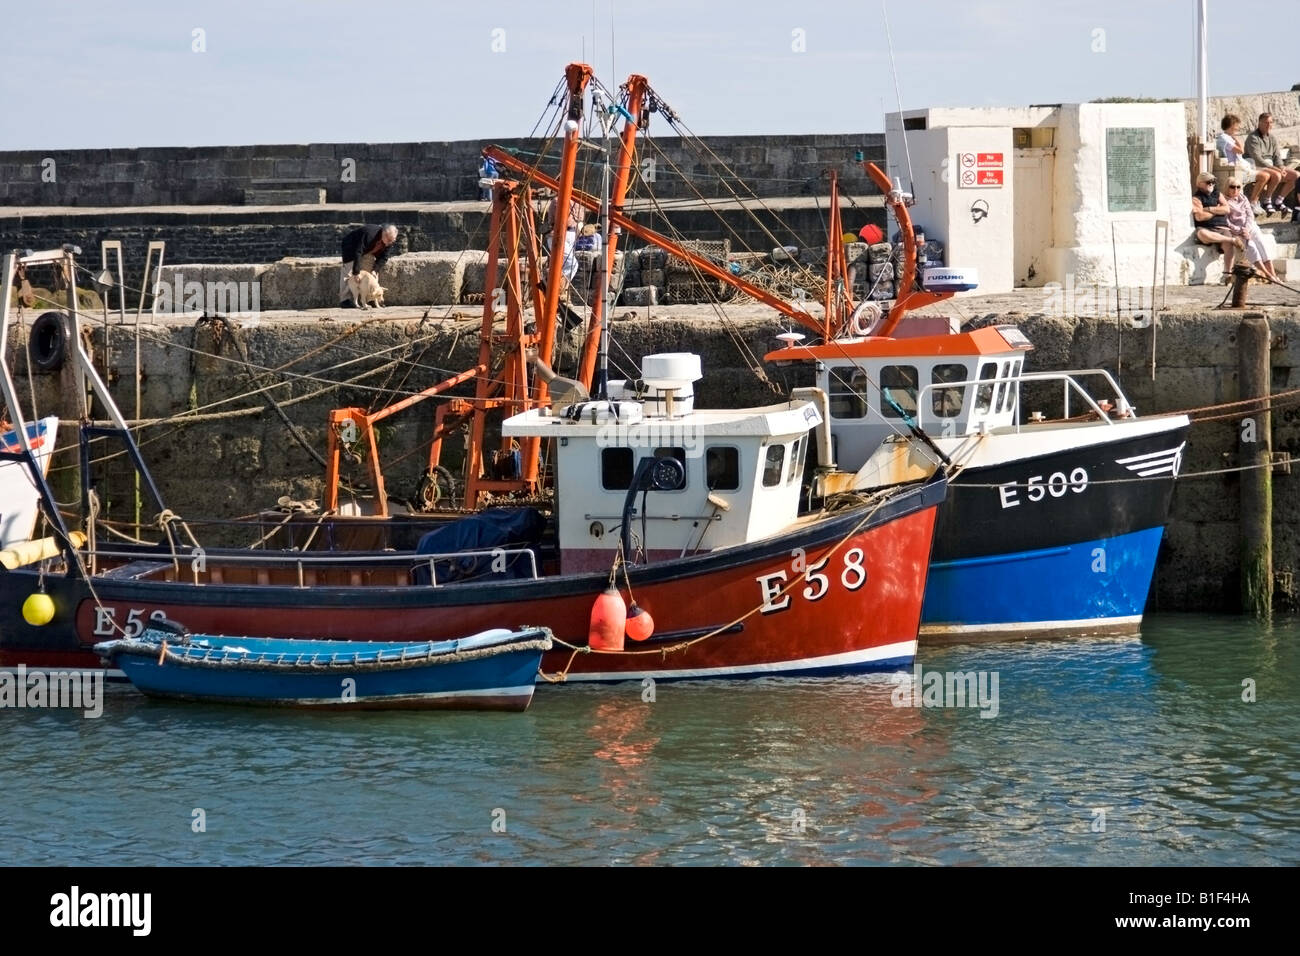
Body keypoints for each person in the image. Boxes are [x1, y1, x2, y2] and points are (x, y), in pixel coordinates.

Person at [1222, 177, 1281, 282]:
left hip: (1249, 227)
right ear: (1227, 187)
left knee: (1261, 244)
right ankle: (1268, 275)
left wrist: (1246, 229)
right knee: (1252, 247)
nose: (1235, 190)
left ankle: (1272, 273)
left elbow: (1250, 215)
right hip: (1236, 230)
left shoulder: (1243, 198)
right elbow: (1226, 221)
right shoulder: (1223, 200)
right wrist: (1240, 230)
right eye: (1232, 187)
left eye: (1238, 187)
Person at [1244, 112, 1299, 215]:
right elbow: (1257, 159)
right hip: (1256, 166)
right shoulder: (1253, 137)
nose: (1268, 125)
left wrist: (1282, 167)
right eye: (1266, 122)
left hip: (1271, 166)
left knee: (1296, 175)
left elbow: (1277, 157)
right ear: (1259, 123)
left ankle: (1279, 201)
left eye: (1270, 122)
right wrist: (1277, 169)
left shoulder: (1272, 138)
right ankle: (1267, 201)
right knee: (1277, 175)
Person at [1192, 171, 1243, 276]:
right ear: (1199, 183)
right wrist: (1217, 210)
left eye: (1213, 182)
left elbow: (1227, 209)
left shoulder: (1217, 194)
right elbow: (1199, 217)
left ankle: (1227, 274)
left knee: (1228, 246)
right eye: (1208, 182)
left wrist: (1209, 209)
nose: (1211, 184)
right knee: (1202, 234)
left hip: (1221, 227)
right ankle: (1232, 240)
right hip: (1206, 228)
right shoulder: (1196, 198)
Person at [339, 224, 398, 308]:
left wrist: (375, 270)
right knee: (349, 270)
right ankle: (345, 300)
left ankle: (371, 299)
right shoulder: (369, 234)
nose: (389, 243)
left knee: (372, 274)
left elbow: (384, 257)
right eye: (388, 240)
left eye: (392, 241)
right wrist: (356, 272)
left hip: (368, 250)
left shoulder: (389, 240)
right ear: (383, 234)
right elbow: (358, 252)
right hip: (351, 247)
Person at [1217, 114, 1263, 213]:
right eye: (1237, 125)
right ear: (1232, 125)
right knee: (1265, 176)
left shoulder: (1228, 137)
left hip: (1242, 166)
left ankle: (1258, 202)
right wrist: (1237, 140)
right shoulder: (1224, 138)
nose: (1238, 127)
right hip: (1236, 169)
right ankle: (1253, 202)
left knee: (1270, 174)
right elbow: (1241, 150)